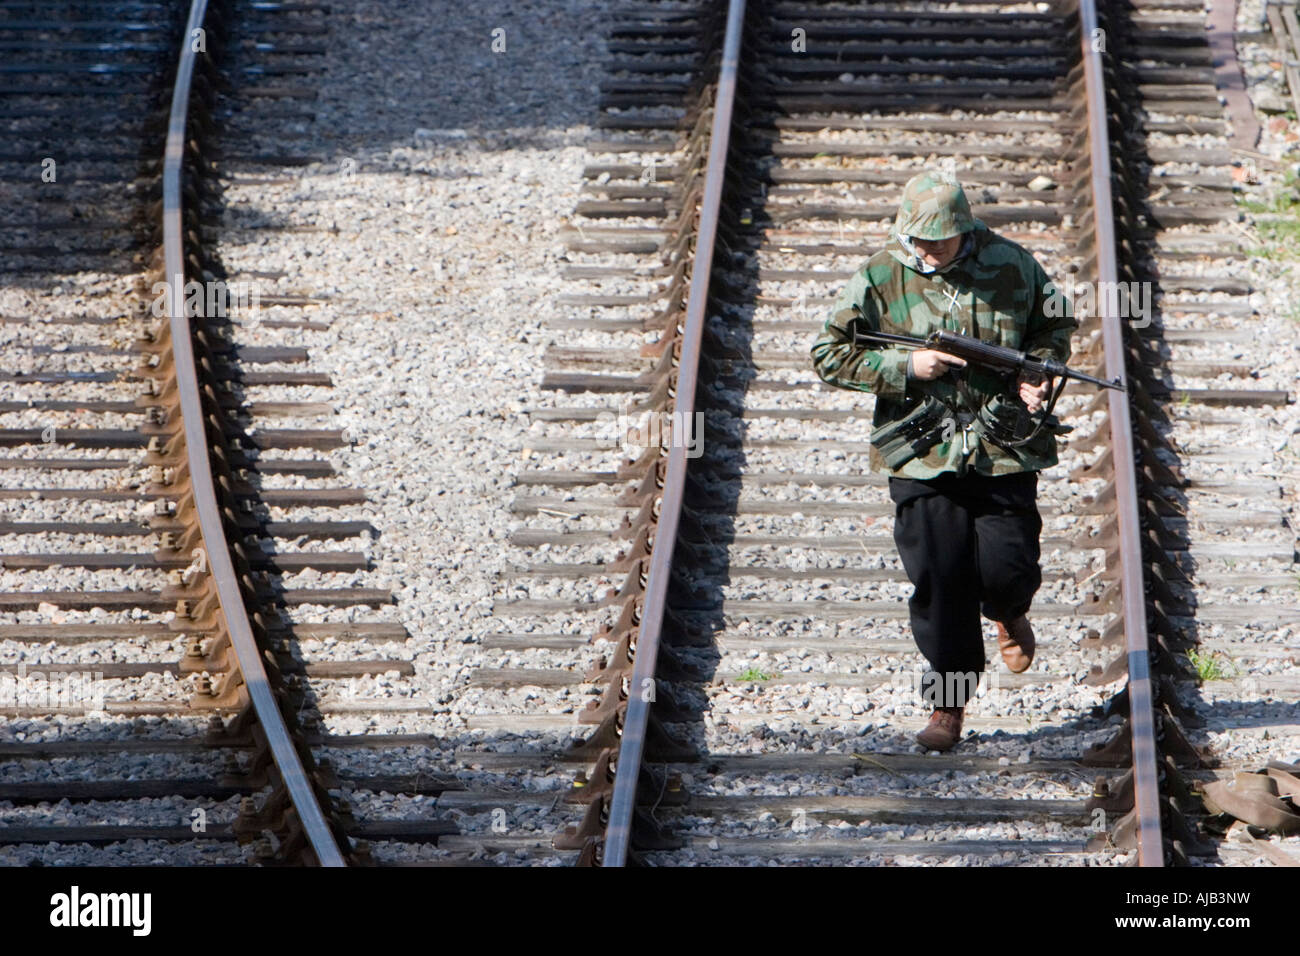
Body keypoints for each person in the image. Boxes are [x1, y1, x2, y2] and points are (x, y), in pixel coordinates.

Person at [810, 170, 1076, 752]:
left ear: (966, 229)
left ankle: (1008, 610)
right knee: (939, 581)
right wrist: (906, 368)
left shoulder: (1015, 266)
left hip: (1004, 448)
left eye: (940, 240)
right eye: (918, 239)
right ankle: (948, 706)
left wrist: (1037, 376)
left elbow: (1056, 328)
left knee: (1008, 568)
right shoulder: (881, 275)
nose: (927, 250)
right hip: (921, 453)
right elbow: (829, 353)